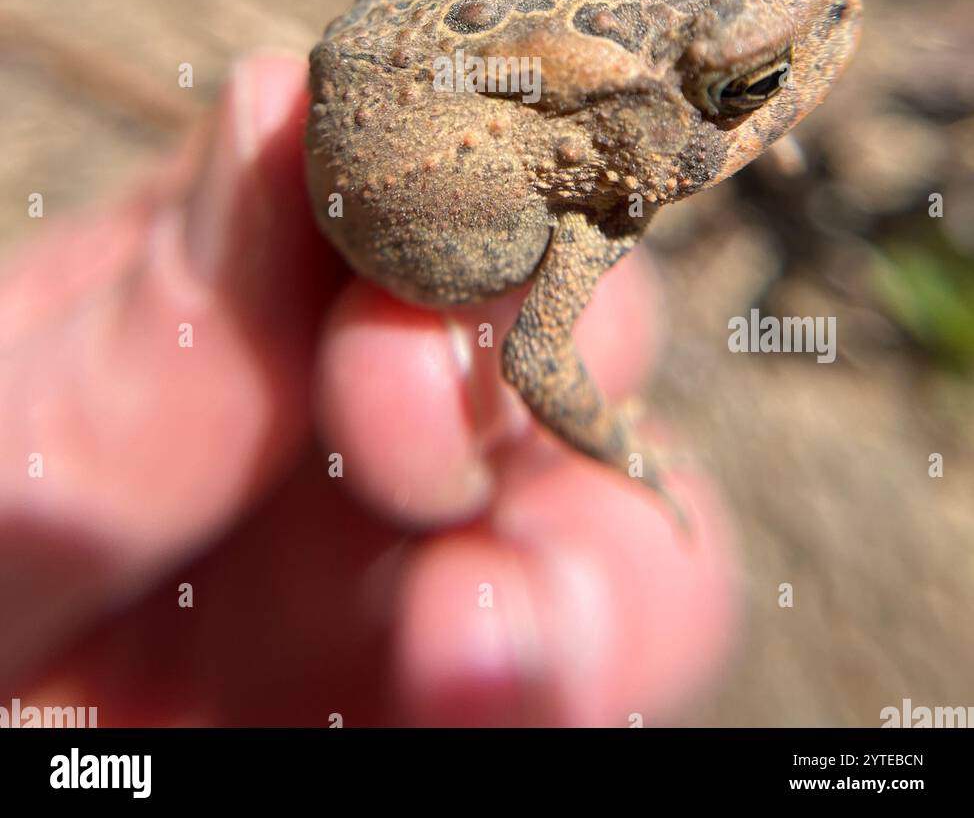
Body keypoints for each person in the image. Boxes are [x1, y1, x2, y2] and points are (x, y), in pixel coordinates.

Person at [0, 54, 734, 727]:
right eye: (750, 91)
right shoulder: (592, 202)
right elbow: (538, 359)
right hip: (380, 170)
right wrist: (626, 451)